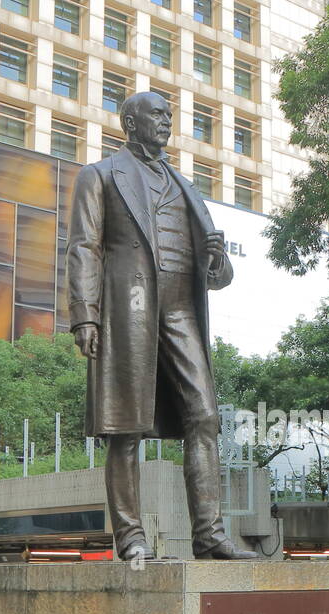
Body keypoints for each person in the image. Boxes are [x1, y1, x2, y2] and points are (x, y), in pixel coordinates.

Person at [66, 91, 256, 562]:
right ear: (130, 123)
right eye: (157, 114)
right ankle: (130, 537)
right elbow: (83, 247)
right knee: (125, 428)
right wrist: (85, 314)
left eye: (170, 115)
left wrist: (216, 261)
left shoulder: (185, 186)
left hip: (181, 310)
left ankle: (209, 534)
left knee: (205, 417)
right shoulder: (101, 175)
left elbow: (218, 275)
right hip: (127, 311)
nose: (167, 122)